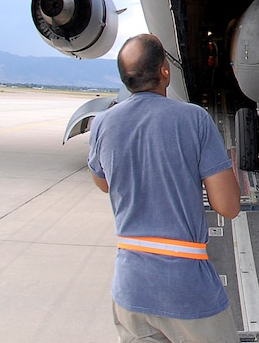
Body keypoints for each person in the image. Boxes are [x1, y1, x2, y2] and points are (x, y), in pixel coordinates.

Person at [88, 34, 241, 342]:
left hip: (130, 289)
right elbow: (228, 205)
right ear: (165, 72)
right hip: (185, 288)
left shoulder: (102, 123)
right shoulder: (193, 119)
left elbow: (102, 181)